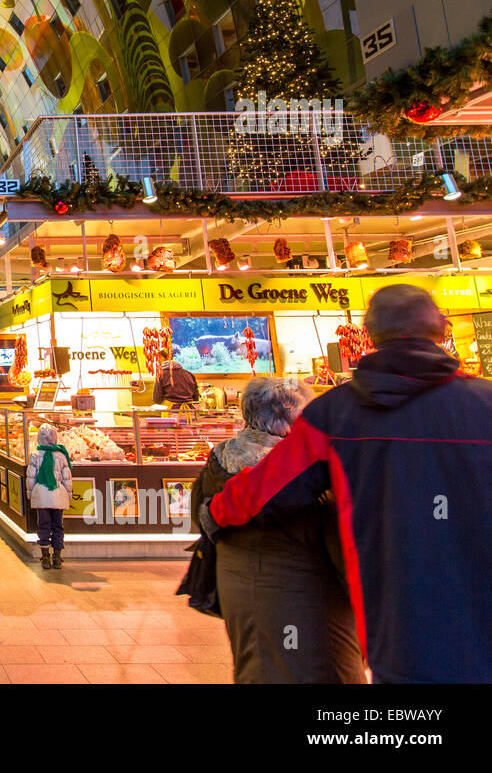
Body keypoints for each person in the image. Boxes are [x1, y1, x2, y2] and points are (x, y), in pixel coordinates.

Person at [201, 285, 492, 683]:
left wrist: (214, 511)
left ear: (368, 334)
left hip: (394, 603)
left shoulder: (335, 413)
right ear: (441, 327)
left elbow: (268, 489)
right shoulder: (485, 403)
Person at [193, 377, 363, 683]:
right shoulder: (300, 472)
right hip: (301, 598)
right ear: (291, 416)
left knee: (259, 666)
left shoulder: (220, 459)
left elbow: (202, 516)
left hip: (241, 592)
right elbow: (335, 539)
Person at [28, 423, 73, 570]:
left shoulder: (35, 455)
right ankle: (57, 557)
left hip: (41, 496)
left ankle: (45, 557)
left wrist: (30, 494)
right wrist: (68, 495)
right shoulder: (61, 455)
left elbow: (31, 478)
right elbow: (67, 479)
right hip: (58, 496)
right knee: (58, 526)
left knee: (43, 525)